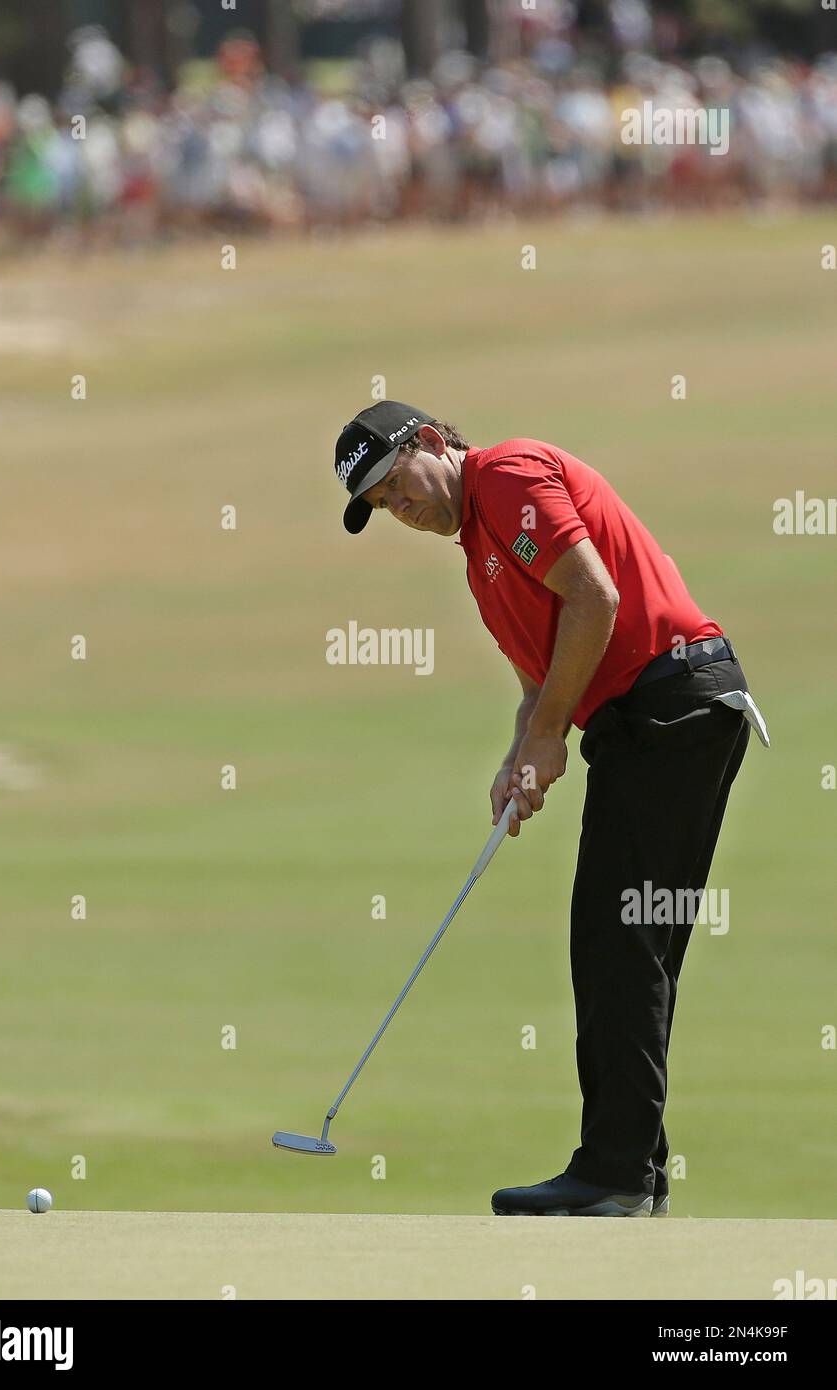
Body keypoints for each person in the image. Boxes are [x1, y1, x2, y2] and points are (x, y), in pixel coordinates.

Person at [332, 400, 769, 1217]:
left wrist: (546, 737)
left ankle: (615, 1174)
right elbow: (541, 681)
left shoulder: (506, 476)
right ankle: (634, 1171)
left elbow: (594, 597)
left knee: (616, 940)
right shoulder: (479, 557)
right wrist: (520, 753)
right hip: (659, 719)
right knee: (629, 943)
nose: (400, 507)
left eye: (397, 483)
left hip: (668, 707)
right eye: (383, 504)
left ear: (429, 441)